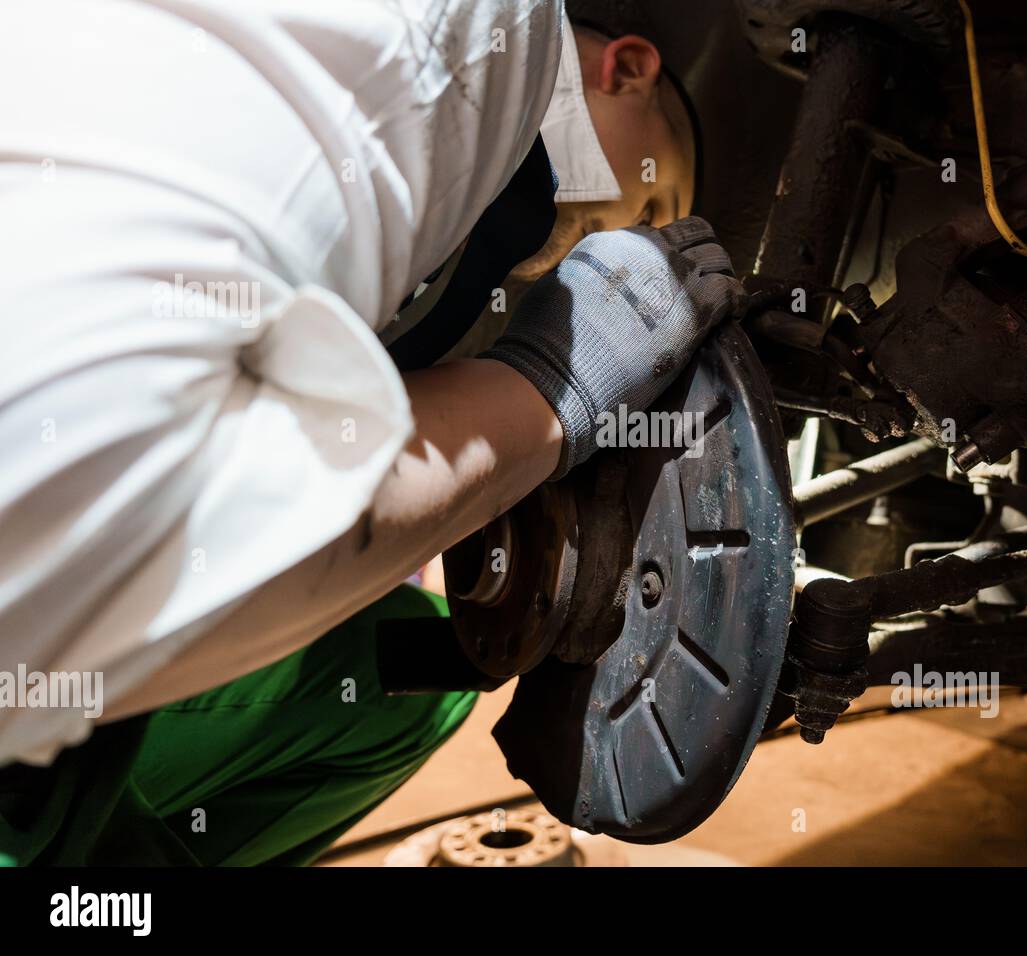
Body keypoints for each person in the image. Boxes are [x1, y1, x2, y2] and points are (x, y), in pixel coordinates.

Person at [0, 0, 742, 864]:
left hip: (46, 669)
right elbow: (137, 539)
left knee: (392, 680)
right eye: (652, 195)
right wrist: (547, 395)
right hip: (36, 656)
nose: (629, 230)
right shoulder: (466, 57)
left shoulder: (454, 201)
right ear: (630, 69)